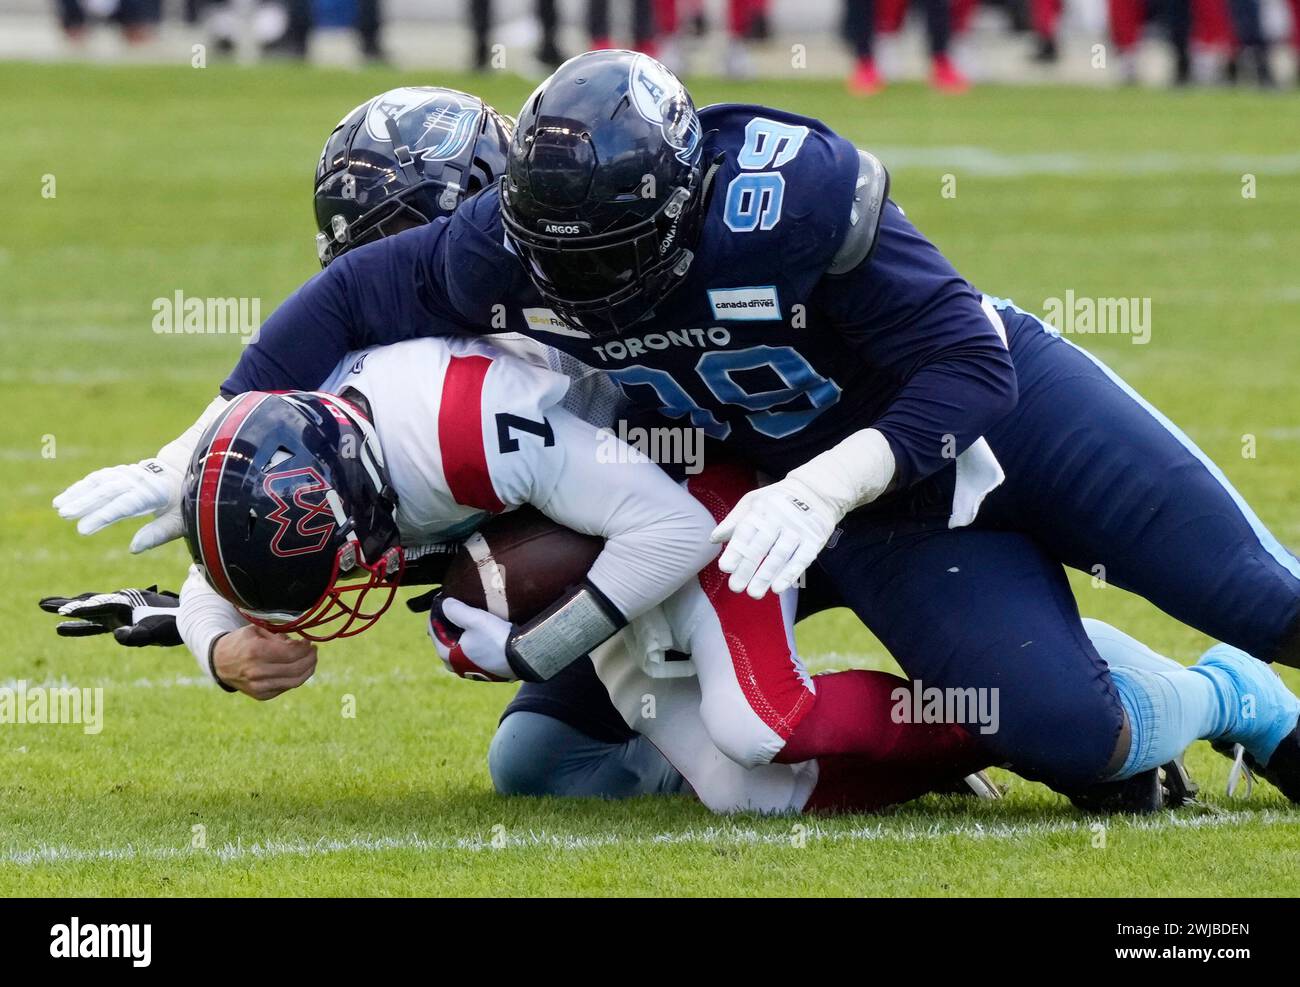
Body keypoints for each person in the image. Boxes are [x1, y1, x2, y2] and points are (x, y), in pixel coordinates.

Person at [55, 54, 1300, 807]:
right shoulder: (493, 260)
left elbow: (968, 362)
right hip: (806, 516)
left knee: (1260, 596)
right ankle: (1114, 713)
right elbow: (332, 352)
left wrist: (820, 487)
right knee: (1058, 731)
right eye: (546, 257)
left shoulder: (781, 196)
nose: (571, 289)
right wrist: (192, 456)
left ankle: (1227, 681)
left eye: (601, 257)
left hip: (968, 429)